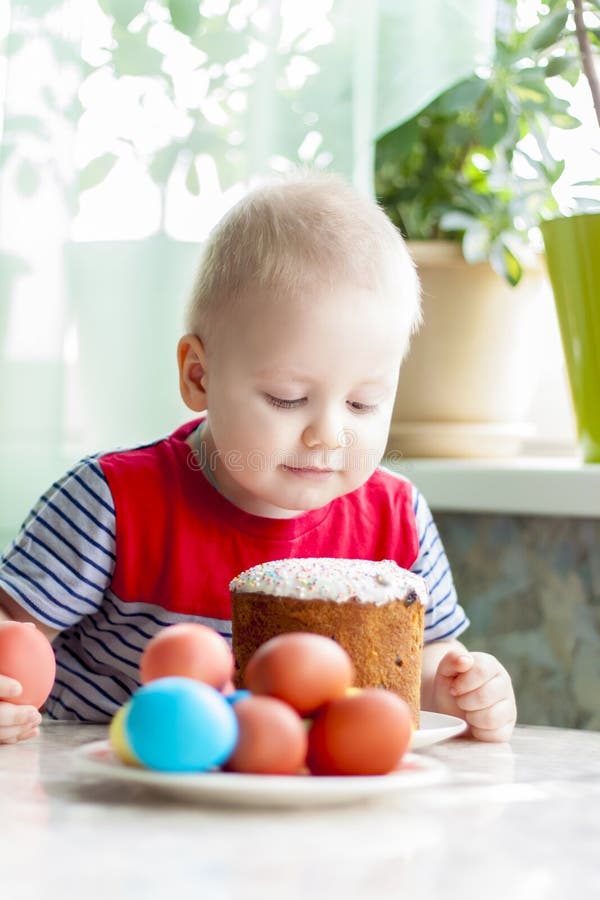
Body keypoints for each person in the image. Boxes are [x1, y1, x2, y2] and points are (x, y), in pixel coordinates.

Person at [0, 171, 516, 745]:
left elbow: (420, 659)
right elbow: (16, 630)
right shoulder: (113, 501)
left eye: (363, 402)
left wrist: (457, 687)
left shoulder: (397, 516)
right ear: (200, 376)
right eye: (287, 398)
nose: (328, 433)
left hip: (299, 794)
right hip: (111, 780)